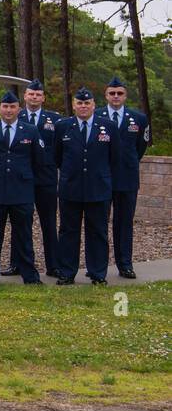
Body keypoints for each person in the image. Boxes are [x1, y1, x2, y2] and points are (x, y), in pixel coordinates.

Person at [0, 90, 45, 284]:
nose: (9, 110)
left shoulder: (30, 131)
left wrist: (33, 186)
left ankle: (29, 276)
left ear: (18, 109)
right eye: (5, 106)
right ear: (0, 108)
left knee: (24, 236)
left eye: (12, 107)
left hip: (22, 192)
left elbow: (39, 162)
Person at [54, 88, 120, 285]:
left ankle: (98, 273)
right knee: (68, 232)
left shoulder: (108, 126)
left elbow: (115, 157)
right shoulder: (63, 127)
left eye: (87, 103)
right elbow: (57, 157)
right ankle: (67, 272)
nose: (83, 106)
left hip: (98, 189)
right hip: (70, 188)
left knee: (98, 232)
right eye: (79, 103)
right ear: (74, 105)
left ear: (94, 105)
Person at [103, 76, 150, 279]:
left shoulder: (138, 119)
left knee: (124, 223)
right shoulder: (97, 116)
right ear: (106, 95)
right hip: (102, 178)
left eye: (119, 93)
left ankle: (125, 264)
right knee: (99, 224)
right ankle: (99, 265)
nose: (115, 96)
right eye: (112, 93)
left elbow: (140, 147)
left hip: (127, 179)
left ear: (125, 95)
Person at [16, 79, 60, 278]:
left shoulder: (55, 120)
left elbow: (60, 149)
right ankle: (17, 264)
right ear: (25, 96)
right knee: (20, 222)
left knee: (48, 222)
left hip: (46, 178)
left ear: (43, 98)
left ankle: (54, 265)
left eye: (38, 94)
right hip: (22, 177)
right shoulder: (15, 115)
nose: (34, 97)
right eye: (31, 94)